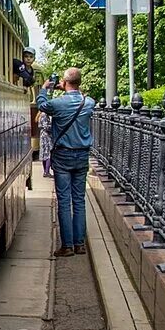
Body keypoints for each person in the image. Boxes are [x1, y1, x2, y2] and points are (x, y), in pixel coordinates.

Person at [38, 67, 96, 257]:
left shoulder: (58, 104)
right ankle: (80, 244)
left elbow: (42, 105)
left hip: (63, 156)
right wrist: (71, 87)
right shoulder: (89, 102)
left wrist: (45, 88)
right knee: (79, 200)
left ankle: (67, 246)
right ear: (80, 82)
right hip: (82, 156)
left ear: (64, 82)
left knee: (64, 201)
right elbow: (81, 96)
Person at [37, 109, 53, 178]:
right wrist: (53, 127)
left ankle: (45, 171)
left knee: (44, 154)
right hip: (47, 136)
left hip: (43, 136)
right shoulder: (44, 115)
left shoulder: (42, 115)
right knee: (49, 153)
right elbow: (46, 127)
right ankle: (47, 171)